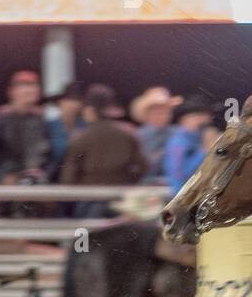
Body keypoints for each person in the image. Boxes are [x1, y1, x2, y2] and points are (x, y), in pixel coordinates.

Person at [59, 85, 147, 216]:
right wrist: (126, 181)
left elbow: (68, 177)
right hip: (120, 199)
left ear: (90, 110)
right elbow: (143, 166)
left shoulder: (81, 138)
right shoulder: (128, 134)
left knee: (88, 235)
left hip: (89, 200)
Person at [0, 70, 52, 185]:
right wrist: (2, 175)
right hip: (5, 177)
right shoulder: (0, 117)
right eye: (26, 86)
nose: (32, 90)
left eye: (35, 86)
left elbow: (45, 153)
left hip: (34, 177)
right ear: (12, 91)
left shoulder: (40, 118)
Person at [163, 95, 219, 194]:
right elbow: (180, 175)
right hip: (183, 195)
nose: (204, 119)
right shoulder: (178, 142)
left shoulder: (201, 138)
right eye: (197, 115)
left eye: (206, 115)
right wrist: (205, 150)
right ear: (183, 119)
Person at [131, 86, 183, 185]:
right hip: (145, 186)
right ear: (146, 114)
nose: (162, 115)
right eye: (157, 112)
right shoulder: (137, 135)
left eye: (165, 112)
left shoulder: (179, 133)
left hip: (175, 186)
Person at [44, 80, 87, 169]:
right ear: (60, 102)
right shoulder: (48, 127)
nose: (73, 105)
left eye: (77, 101)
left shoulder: (86, 127)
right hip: (55, 178)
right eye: (69, 100)